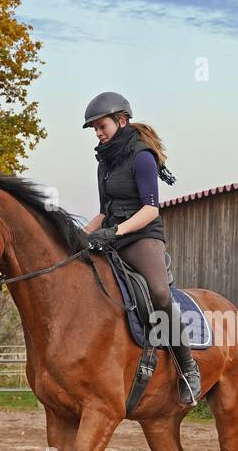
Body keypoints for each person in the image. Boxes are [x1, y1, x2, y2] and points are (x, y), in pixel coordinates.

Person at [82, 91, 202, 406]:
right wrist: (80, 233)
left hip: (142, 236)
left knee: (160, 294)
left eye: (101, 126)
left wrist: (115, 232)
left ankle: (187, 365)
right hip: (112, 233)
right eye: (94, 128)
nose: (98, 132)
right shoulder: (104, 162)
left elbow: (151, 209)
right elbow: (104, 209)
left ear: (121, 121)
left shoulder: (142, 157)